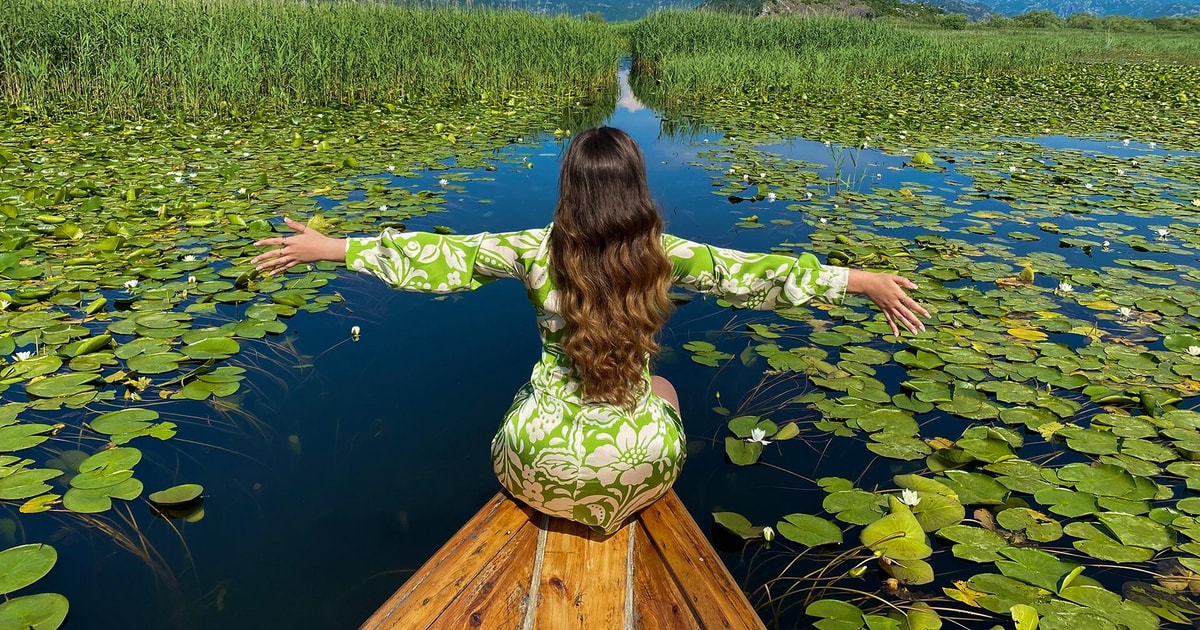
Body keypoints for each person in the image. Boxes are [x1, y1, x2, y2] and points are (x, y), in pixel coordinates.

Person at [251, 126, 929, 535]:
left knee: (526, 401)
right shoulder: (664, 256)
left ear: (571, 189)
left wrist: (336, 248)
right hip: (640, 471)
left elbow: (440, 256)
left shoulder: (534, 249)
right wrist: (859, 281)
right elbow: (756, 273)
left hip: (535, 466)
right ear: (635, 189)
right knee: (660, 383)